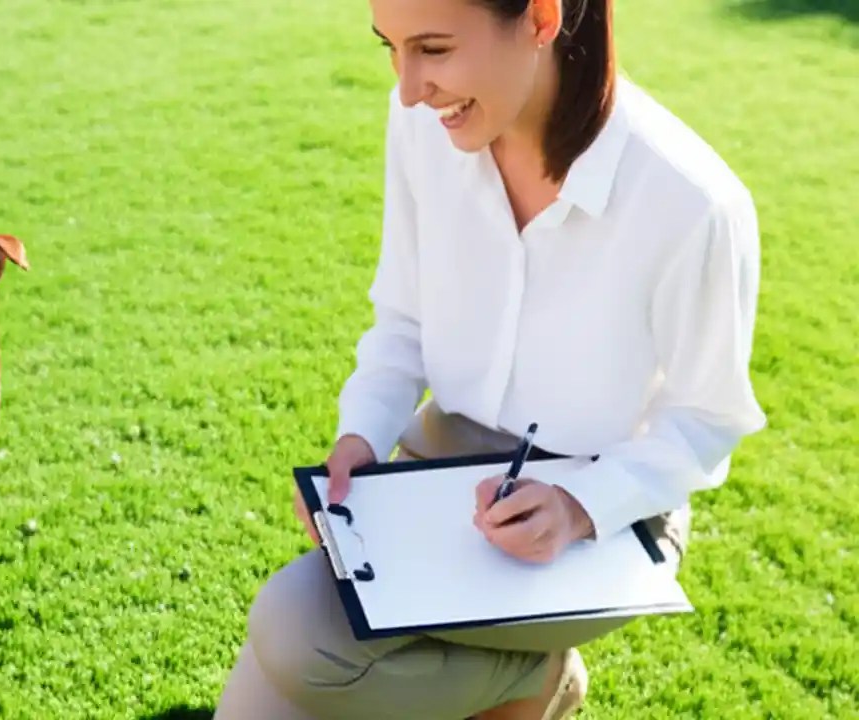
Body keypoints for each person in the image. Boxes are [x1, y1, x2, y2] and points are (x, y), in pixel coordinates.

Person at [212, 0, 767, 718]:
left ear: (540, 16)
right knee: (273, 684)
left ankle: (533, 682)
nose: (409, 88)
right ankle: (515, 685)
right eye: (392, 48)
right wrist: (360, 437)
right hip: (441, 470)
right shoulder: (422, 125)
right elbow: (404, 318)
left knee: (299, 635)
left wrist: (576, 507)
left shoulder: (693, 203)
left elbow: (704, 422)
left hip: (610, 513)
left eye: (434, 50)